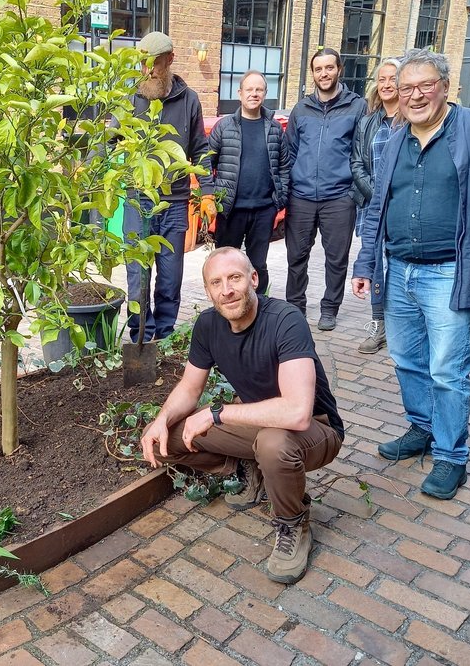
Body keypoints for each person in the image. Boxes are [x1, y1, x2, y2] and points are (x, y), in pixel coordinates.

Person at [351, 48, 470, 500]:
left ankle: (451, 456)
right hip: (399, 272)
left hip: (452, 273)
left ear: (446, 87)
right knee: (406, 360)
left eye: (425, 86)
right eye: (406, 88)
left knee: (448, 371)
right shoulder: (395, 139)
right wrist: (365, 262)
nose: (415, 96)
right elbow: (376, 209)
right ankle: (422, 427)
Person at [140, 247, 343, 583]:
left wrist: (217, 414)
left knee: (274, 443)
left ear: (254, 279)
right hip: (258, 425)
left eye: (234, 278)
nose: (227, 290)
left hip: (317, 430)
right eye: (216, 282)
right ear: (208, 291)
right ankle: (247, 468)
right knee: (168, 437)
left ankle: (293, 522)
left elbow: (297, 413)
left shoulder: (285, 320)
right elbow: (190, 388)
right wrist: (161, 420)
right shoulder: (208, 325)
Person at [123, 31, 209, 342]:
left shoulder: (189, 100)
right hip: (138, 200)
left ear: (170, 59)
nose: (147, 71)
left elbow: (200, 147)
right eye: (142, 64)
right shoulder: (129, 98)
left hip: (174, 203)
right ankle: (140, 335)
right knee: (137, 274)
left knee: (171, 277)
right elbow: (106, 141)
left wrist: (208, 192)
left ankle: (164, 335)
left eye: (154, 64)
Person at [283, 48, 367, 331]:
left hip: (339, 197)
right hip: (301, 196)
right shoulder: (301, 109)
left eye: (329, 68)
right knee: (296, 257)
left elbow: (361, 153)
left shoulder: (357, 107)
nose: (324, 74)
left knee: (336, 259)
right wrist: (290, 187)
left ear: (339, 69)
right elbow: (289, 151)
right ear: (313, 73)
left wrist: (353, 193)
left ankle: (330, 309)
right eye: (318, 69)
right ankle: (295, 308)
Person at [206, 70, 288, 295]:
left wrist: (279, 200)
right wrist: (214, 194)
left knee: (258, 266)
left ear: (265, 93)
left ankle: (259, 308)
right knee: (225, 265)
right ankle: (225, 308)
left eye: (259, 89)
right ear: (239, 93)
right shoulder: (224, 127)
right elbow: (206, 162)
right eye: (249, 89)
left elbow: (284, 166)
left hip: (263, 210)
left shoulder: (274, 128)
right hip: (231, 210)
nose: (254, 94)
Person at [349, 57, 402, 354]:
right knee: (374, 263)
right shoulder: (368, 121)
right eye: (382, 79)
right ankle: (379, 324)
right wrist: (377, 195)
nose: (386, 84)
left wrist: (394, 198)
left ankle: (401, 323)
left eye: (392, 78)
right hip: (372, 204)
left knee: (399, 263)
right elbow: (357, 163)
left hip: (403, 204)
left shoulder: (410, 120)